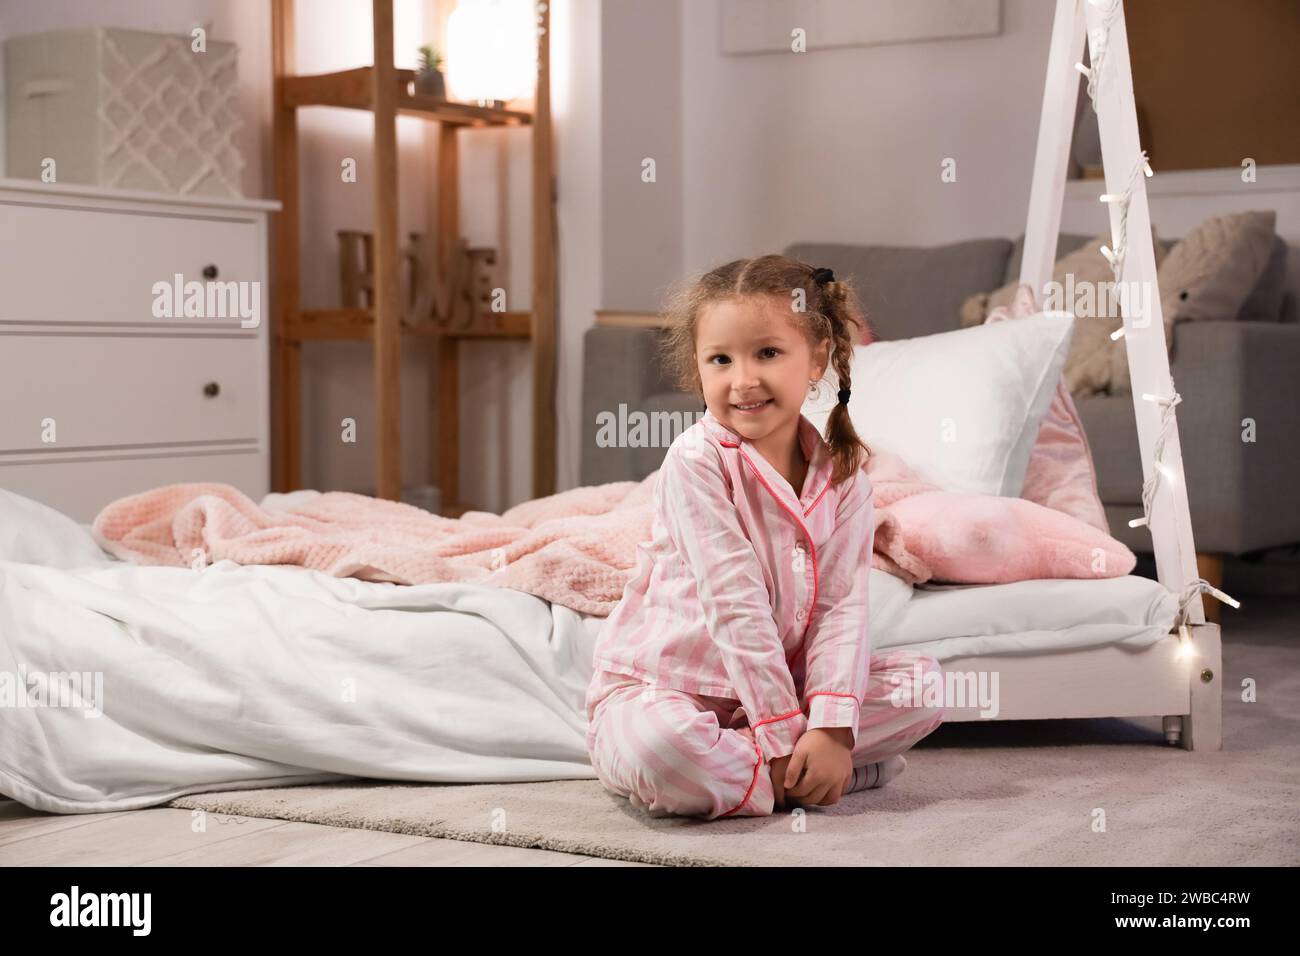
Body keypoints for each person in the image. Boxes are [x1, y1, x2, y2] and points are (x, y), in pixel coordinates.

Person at [584, 254, 945, 819]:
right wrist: (779, 737)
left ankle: (785, 769)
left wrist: (829, 727)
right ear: (697, 370)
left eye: (768, 353)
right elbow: (735, 603)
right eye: (721, 359)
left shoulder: (844, 478)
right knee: (663, 752)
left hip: (789, 691)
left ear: (817, 359)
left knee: (925, 687)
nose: (743, 379)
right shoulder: (696, 461)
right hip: (670, 690)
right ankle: (814, 778)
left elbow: (841, 608)